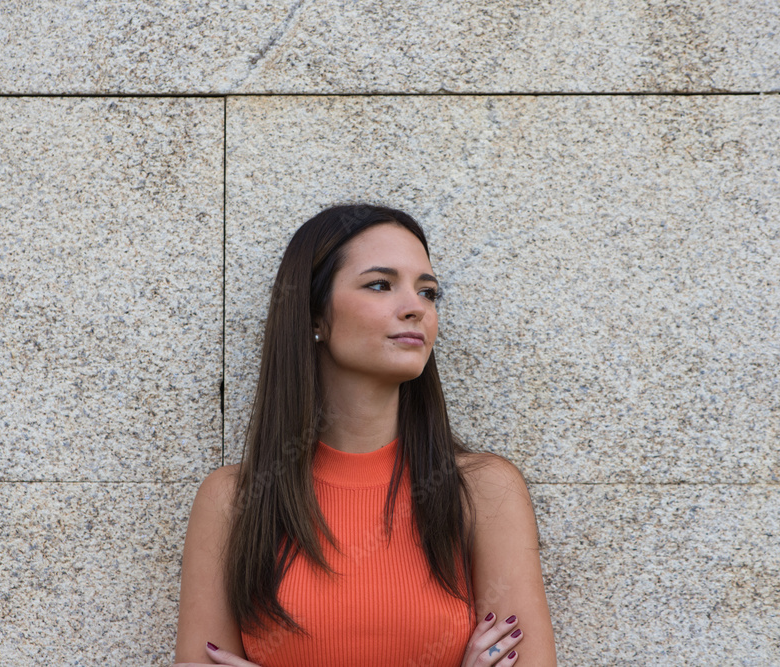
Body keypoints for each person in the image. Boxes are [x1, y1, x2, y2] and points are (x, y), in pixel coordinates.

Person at [175, 205, 557, 666]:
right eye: (380, 284)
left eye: (428, 291)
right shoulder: (232, 501)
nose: (416, 307)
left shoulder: (482, 490)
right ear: (315, 316)